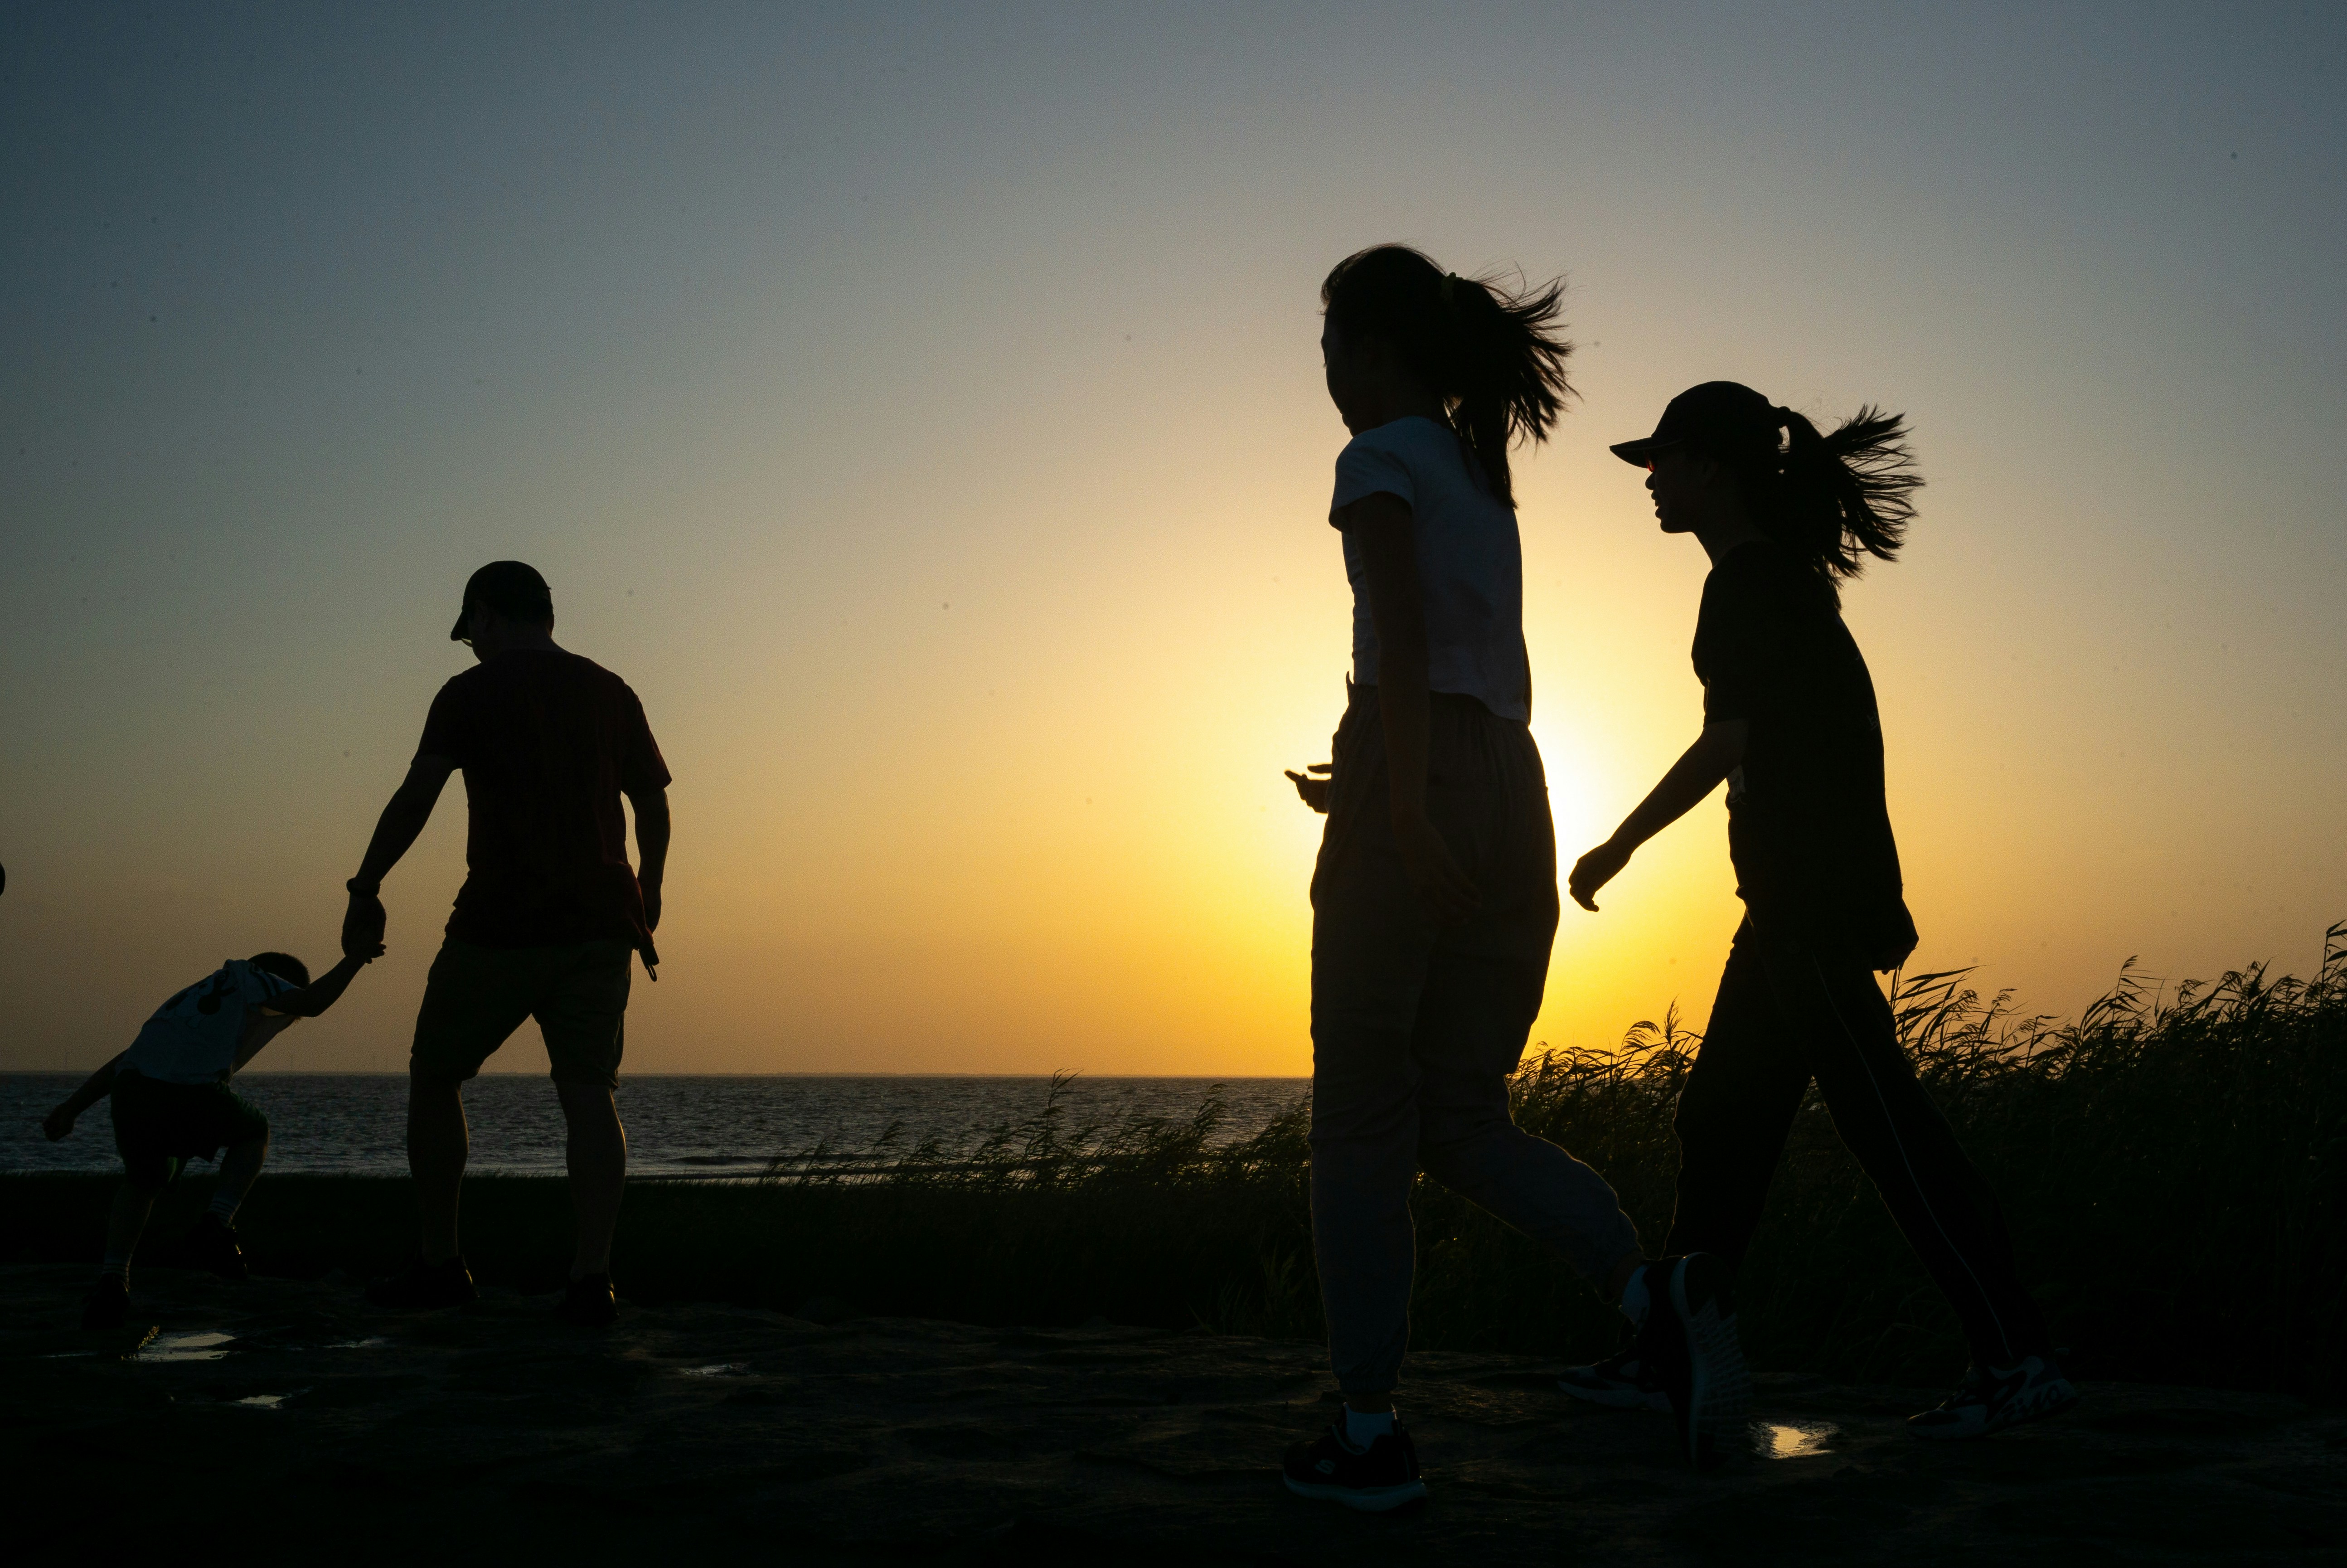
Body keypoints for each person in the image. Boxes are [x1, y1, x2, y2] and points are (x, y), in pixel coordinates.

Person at [1280, 247, 1750, 1510]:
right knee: (1458, 1116)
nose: (1321, 367)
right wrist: (1374, 776)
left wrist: (1393, 798)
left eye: (1326, 341)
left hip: (1423, 774)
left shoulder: (1377, 458)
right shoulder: (1477, 476)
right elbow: (1463, 666)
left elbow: (1404, 639)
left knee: (1361, 1120)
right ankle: (1649, 1295)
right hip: (1512, 783)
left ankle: (1368, 1433)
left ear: (1370, 346)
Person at [1563, 381, 2075, 1440]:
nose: (1648, 480)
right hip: (1789, 909)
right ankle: (1668, 1360)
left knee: (1887, 1125)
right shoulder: (1775, 585)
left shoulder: (1748, 586)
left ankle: (2014, 1358)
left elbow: (1729, 742)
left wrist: (1619, 842)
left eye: (1660, 460)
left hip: (1806, 907)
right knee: (1720, 1119)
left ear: (1710, 467)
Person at [347, 561, 671, 1327]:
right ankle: (591, 1279)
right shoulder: (612, 691)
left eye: (471, 632)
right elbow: (652, 804)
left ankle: (441, 1262)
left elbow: (417, 795)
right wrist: (648, 890)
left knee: (436, 1075)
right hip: (601, 922)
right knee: (589, 1092)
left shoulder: (469, 693)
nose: (473, 645)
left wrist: (366, 885)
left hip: (500, 919)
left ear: (486, 614)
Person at [41, 943, 380, 1328]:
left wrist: (71, 1107)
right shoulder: (254, 979)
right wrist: (357, 957)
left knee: (141, 1183)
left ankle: (113, 1279)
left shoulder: (195, 1000)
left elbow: (128, 1058)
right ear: (277, 984)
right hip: (188, 1086)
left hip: (132, 1089)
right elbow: (313, 1001)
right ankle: (216, 1224)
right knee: (254, 1131)